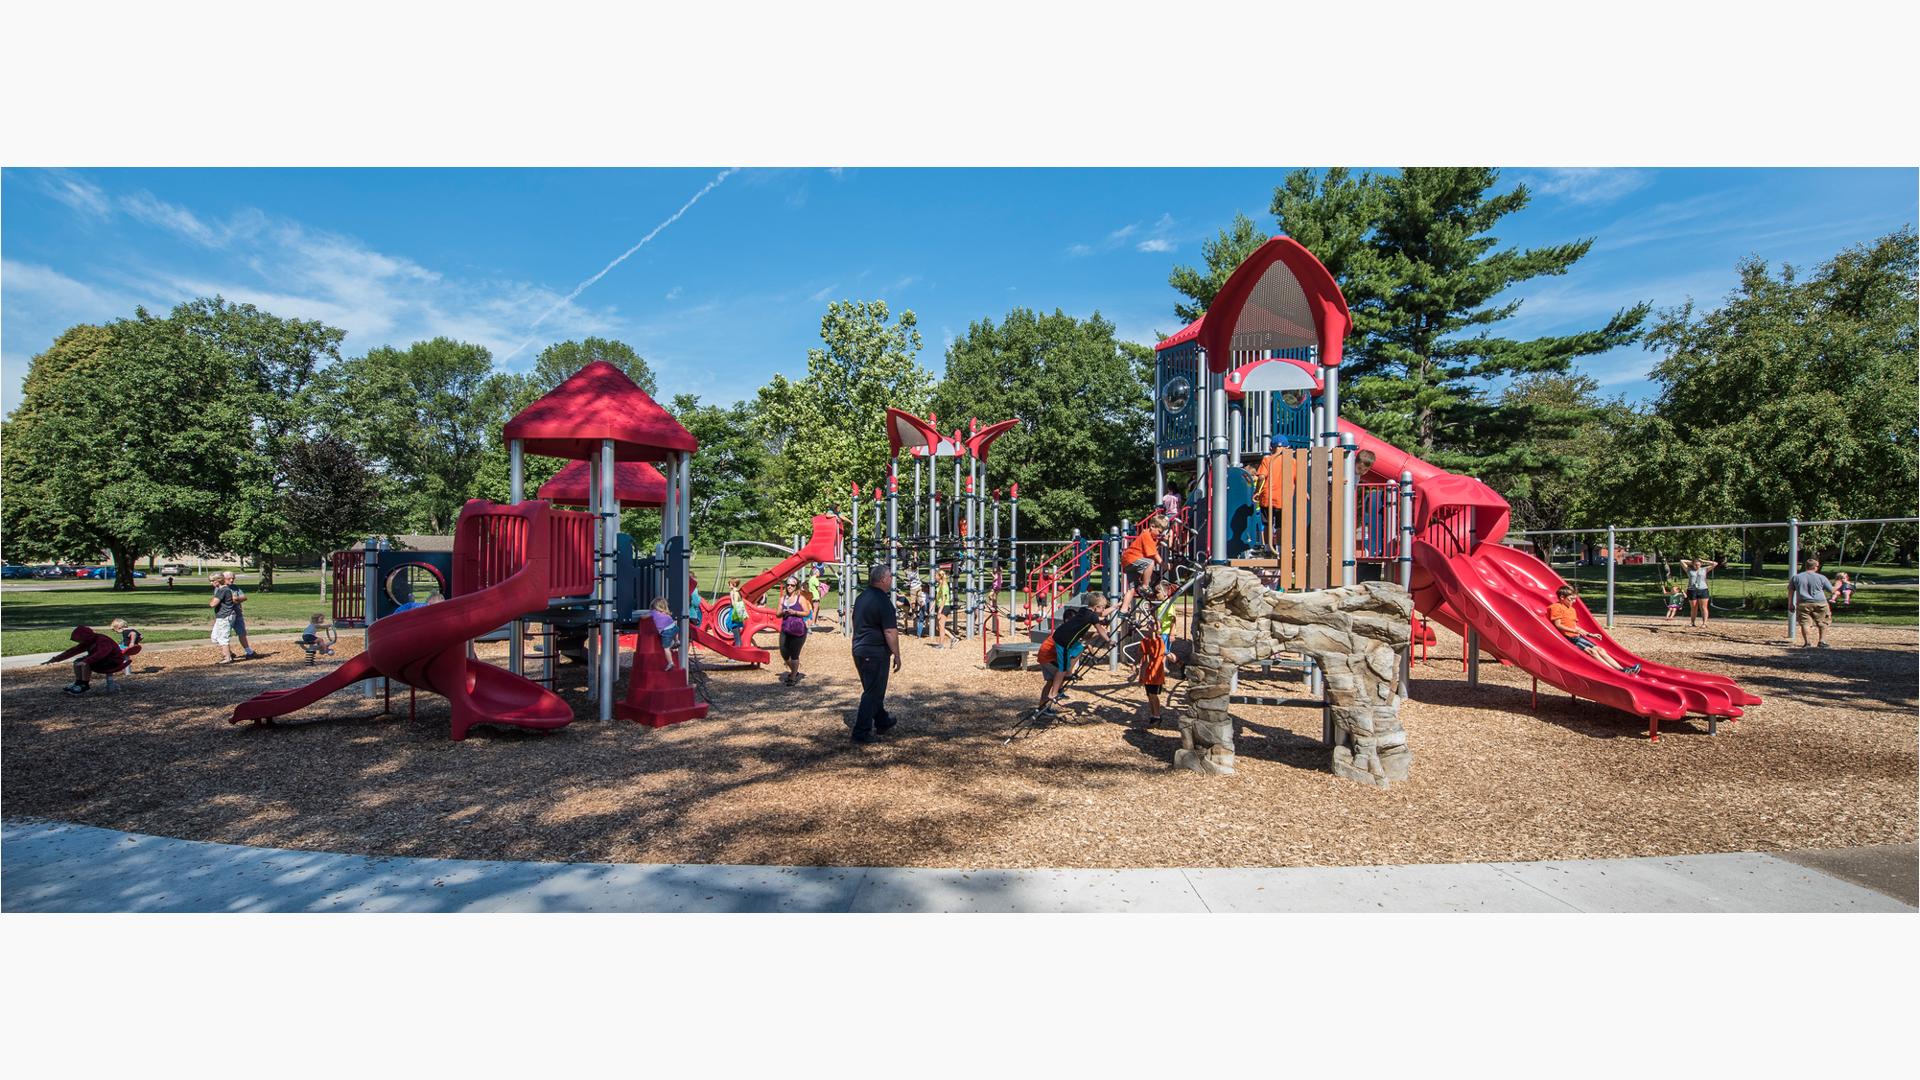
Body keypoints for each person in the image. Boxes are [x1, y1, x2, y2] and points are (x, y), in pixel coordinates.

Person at [1033, 593, 1114, 716]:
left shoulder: (1084, 611)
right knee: (1062, 670)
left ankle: (1066, 676)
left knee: (1078, 649)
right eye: (1102, 607)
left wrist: (1116, 606)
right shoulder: (1091, 617)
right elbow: (1099, 628)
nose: (1102, 610)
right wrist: (1108, 640)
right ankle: (1053, 693)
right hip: (1059, 645)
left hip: (1058, 641)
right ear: (1096, 607)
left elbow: (1101, 616)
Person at [849, 562, 901, 744]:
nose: (891, 580)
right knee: (873, 692)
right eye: (889, 577)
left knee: (872, 688)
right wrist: (897, 654)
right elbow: (890, 631)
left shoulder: (862, 597)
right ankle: (861, 732)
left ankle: (882, 720)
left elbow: (854, 619)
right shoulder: (883, 601)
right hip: (875, 652)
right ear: (882, 579)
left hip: (859, 649)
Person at [1546, 585, 1640, 674]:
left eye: (1575, 599)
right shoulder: (1556, 607)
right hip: (1567, 638)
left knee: (1600, 650)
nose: (1574, 601)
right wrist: (1574, 631)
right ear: (1562, 597)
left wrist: (1589, 634)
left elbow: (1574, 625)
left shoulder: (1572, 610)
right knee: (1592, 652)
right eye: (1571, 599)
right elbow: (1558, 625)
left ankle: (1622, 669)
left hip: (1576, 636)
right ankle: (1613, 672)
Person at [42, 624, 125, 695]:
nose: (79, 642)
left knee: (85, 663)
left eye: (79, 640)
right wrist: (54, 659)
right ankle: (78, 682)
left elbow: (102, 653)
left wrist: (86, 661)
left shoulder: (102, 640)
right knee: (77, 662)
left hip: (113, 661)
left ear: (85, 637)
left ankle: (85, 685)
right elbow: (72, 651)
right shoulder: (88, 642)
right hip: (102, 660)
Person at [1789, 557, 1836, 649]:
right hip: (1820, 603)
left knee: (1805, 623)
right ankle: (1822, 641)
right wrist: (1839, 584)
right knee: (1823, 622)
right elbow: (1832, 590)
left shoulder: (1796, 577)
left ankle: (1807, 643)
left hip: (1803, 603)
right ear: (1815, 567)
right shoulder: (1821, 577)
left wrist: (1790, 603)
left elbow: (1791, 590)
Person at [209, 573, 253, 664]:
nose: (232, 580)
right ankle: (229, 653)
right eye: (229, 578)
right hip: (225, 615)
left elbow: (213, 604)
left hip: (226, 615)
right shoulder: (223, 589)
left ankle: (228, 657)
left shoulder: (223, 590)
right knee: (215, 637)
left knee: (224, 637)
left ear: (218, 581)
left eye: (212, 581)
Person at [1120, 520, 1166, 601]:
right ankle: (1145, 586)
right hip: (1132, 559)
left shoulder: (1149, 536)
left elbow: (1153, 547)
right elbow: (1154, 554)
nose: (1159, 534)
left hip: (1128, 561)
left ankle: (1123, 610)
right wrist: (1164, 564)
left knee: (1132, 589)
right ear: (1152, 527)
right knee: (1150, 563)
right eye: (1159, 531)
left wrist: (1160, 541)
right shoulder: (1147, 536)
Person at [777, 576, 811, 685]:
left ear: (796, 586)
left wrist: (795, 612)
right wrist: (784, 612)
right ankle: (794, 672)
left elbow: (807, 612)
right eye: (788, 585)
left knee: (794, 654)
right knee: (784, 653)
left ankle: (793, 677)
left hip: (798, 629)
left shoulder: (800, 598)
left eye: (792, 585)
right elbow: (777, 614)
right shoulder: (783, 599)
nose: (789, 587)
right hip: (785, 629)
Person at [1679, 557, 1720, 626]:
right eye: (1695, 564)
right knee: (1694, 607)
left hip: (1703, 589)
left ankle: (1704, 623)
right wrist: (1692, 562)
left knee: (1703, 607)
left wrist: (1703, 561)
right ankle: (1692, 622)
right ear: (1693, 564)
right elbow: (1681, 561)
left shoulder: (1704, 569)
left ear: (1701, 564)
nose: (1697, 566)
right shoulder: (1689, 570)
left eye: (1698, 564)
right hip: (1692, 590)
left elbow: (1715, 564)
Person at [650, 597, 679, 669]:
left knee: (666, 648)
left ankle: (670, 663)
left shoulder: (653, 612)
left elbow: (644, 616)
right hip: (674, 628)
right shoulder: (665, 613)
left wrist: (641, 616)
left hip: (666, 631)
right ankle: (677, 641)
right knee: (674, 630)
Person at [931, 567, 951, 649]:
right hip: (941, 606)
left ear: (940, 576)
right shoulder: (939, 585)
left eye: (936, 575)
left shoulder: (944, 585)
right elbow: (938, 597)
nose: (934, 576)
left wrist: (939, 611)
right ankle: (953, 638)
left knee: (941, 626)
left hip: (944, 606)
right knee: (938, 627)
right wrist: (933, 605)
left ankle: (941, 645)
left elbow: (944, 599)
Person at [726, 578, 748, 646]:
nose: (728, 586)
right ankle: (738, 648)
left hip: (734, 613)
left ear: (734, 584)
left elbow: (734, 604)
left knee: (736, 635)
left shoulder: (735, 593)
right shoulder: (737, 592)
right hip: (737, 613)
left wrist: (731, 597)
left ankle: (738, 650)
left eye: (729, 584)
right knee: (736, 633)